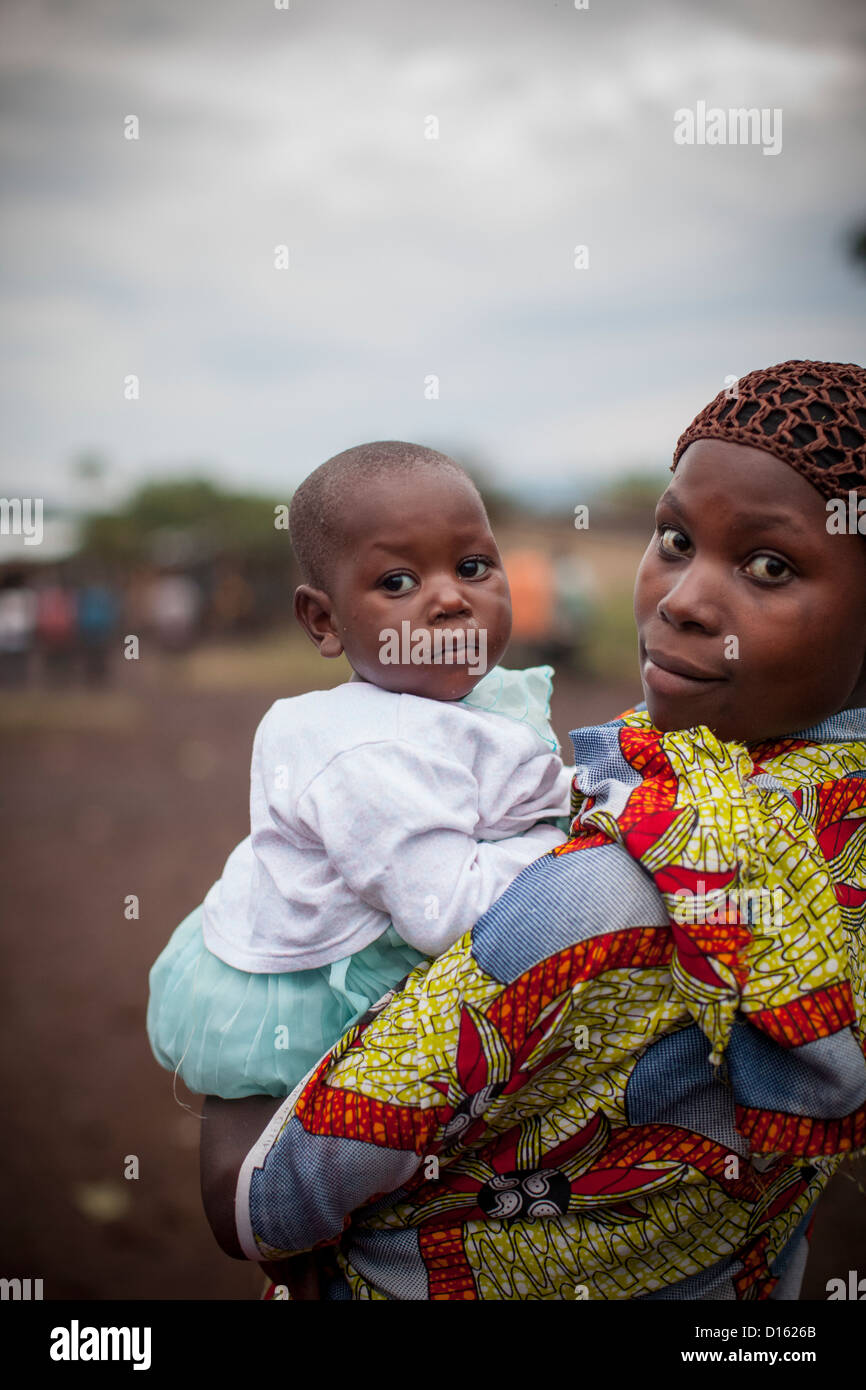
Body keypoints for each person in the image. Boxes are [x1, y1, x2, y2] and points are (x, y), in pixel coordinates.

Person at [196, 360, 866, 1301]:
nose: (682, 601)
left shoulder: (602, 892)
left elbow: (268, 1201)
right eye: (675, 539)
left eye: (769, 566)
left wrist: (235, 1163)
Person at [148, 442, 573, 1105]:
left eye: (473, 566)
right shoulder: (361, 749)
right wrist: (585, 844)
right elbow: (449, 910)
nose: (450, 600)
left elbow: (520, 797)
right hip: (320, 1006)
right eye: (398, 582)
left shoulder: (462, 706)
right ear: (324, 620)